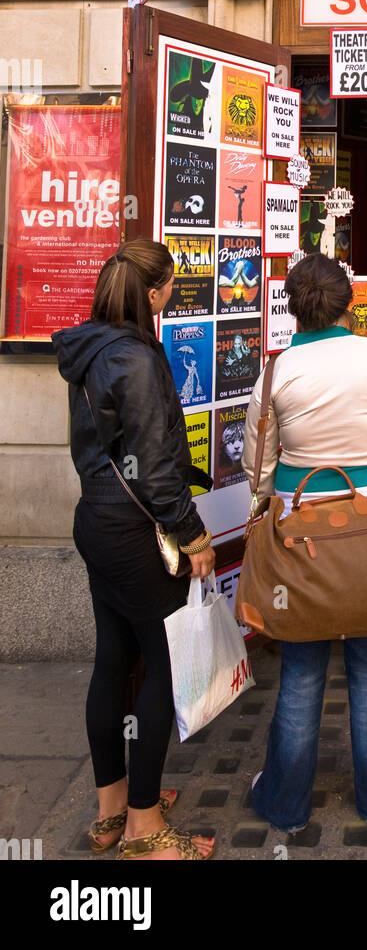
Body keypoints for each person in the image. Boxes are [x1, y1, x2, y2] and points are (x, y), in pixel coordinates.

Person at [242, 252, 367, 832]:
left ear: (292, 308)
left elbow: (257, 468)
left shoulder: (276, 373)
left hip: (303, 541)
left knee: (301, 670)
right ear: (350, 302)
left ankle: (286, 803)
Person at [52, 239, 216, 862]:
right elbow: (153, 470)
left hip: (96, 519)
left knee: (112, 660)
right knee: (162, 667)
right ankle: (145, 831)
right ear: (152, 295)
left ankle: (111, 810)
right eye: (170, 286)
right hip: (137, 531)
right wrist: (193, 536)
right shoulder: (136, 360)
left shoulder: (90, 349)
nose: (174, 294)